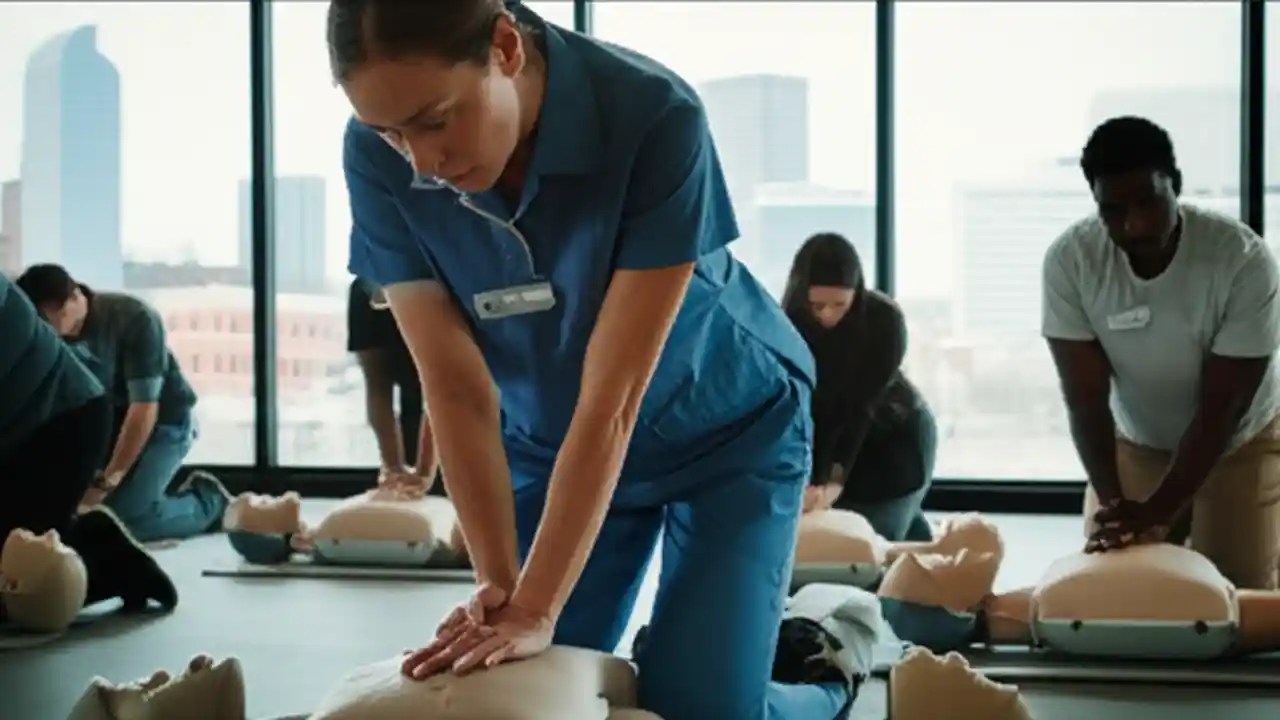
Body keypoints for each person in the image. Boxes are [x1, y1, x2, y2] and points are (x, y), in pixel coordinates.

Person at [327, 1, 869, 718]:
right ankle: (691, 647)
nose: (422, 164)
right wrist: (502, 592)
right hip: (550, 445)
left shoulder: (654, 115)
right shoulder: (378, 156)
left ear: (505, 47)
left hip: (728, 432)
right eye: (391, 134)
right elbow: (454, 389)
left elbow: (612, 401)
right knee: (516, 687)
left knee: (702, 710)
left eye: (435, 121)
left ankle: (828, 660)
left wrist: (539, 606)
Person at [1042, 116, 1280, 590]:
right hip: (1138, 441)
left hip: (1239, 442)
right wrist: (1115, 507)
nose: (1134, 225)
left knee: (1237, 593)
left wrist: (1161, 510)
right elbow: (1085, 403)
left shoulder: (1243, 260)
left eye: (1148, 202)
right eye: (1113, 210)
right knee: (1116, 586)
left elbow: (1222, 409)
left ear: (1176, 185)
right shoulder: (1072, 261)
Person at [0, 273, 177, 618]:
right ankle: (88, 540)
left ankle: (112, 566)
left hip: (58, 425)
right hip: (34, 427)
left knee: (23, 587)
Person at [16, 264, 230, 543]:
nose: (43, 329)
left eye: (47, 319)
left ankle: (210, 501)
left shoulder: (133, 318)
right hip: (110, 426)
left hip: (165, 423)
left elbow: (144, 409)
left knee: (126, 522)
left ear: (73, 299)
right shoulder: (47, 338)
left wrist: (108, 482)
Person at [782, 233, 936, 542]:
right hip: (835, 440)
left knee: (875, 544)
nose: (827, 315)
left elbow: (859, 406)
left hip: (892, 439)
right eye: (817, 305)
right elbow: (803, 406)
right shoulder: (788, 323)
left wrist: (834, 482)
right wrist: (811, 481)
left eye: (840, 304)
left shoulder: (884, 321)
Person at [346, 276, 440, 493]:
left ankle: (400, 471)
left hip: (445, 400)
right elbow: (378, 387)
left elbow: (442, 387)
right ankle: (398, 471)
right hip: (401, 286)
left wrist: (421, 471)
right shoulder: (365, 289)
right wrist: (398, 469)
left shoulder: (436, 286)